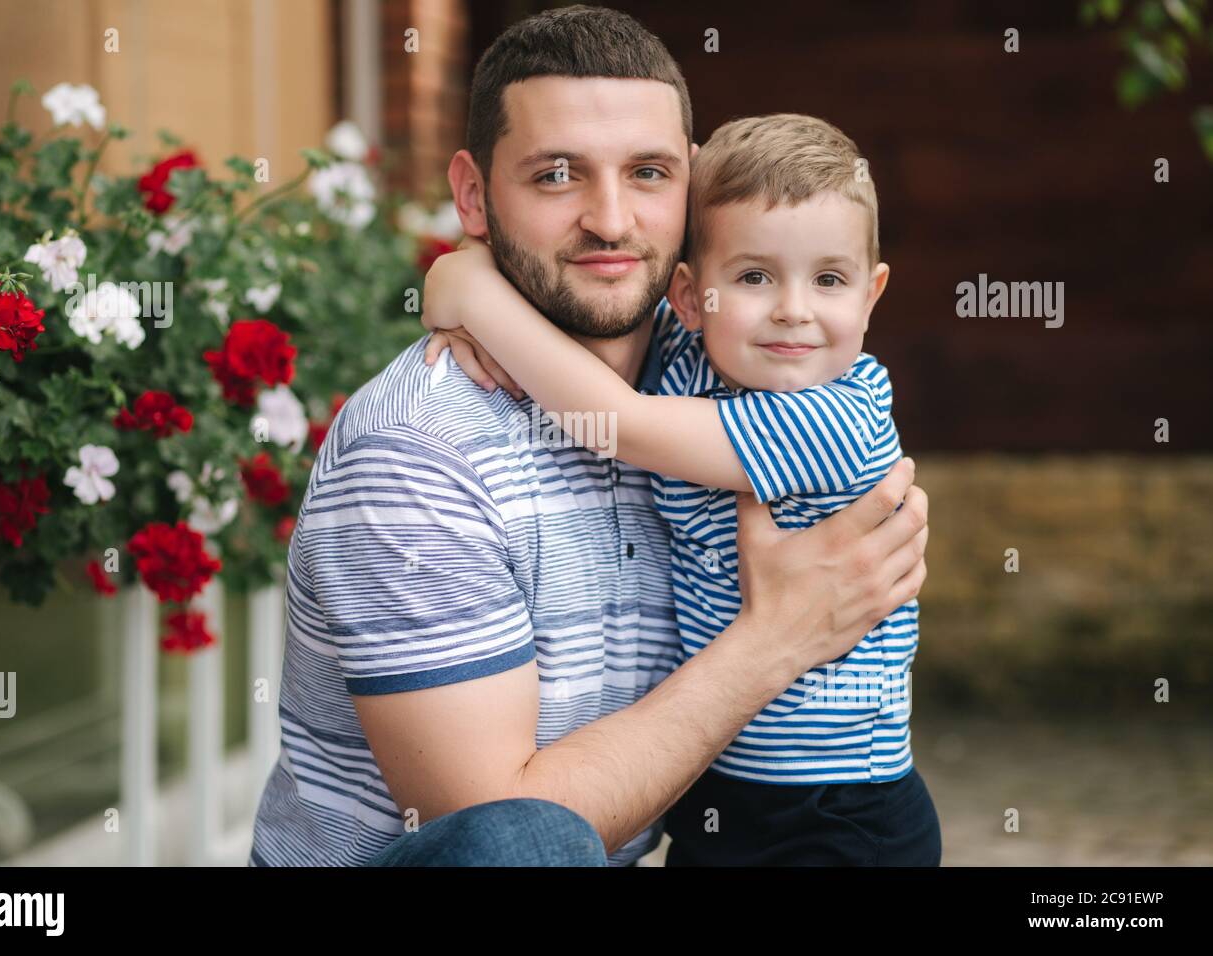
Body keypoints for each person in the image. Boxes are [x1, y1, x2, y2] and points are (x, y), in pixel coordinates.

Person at [249, 5, 927, 867]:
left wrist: (464, 285)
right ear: (473, 195)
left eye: (648, 174)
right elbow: (499, 833)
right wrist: (778, 636)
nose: (611, 221)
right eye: (557, 175)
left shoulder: (706, 359)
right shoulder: (414, 454)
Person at [422, 112, 942, 865]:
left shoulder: (838, 417)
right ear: (693, 299)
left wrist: (470, 292)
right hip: (717, 785)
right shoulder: (696, 359)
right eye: (755, 277)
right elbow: (582, 323)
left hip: (838, 814)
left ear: (871, 293)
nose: (793, 309)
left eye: (829, 279)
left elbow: (614, 421)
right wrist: (463, 277)